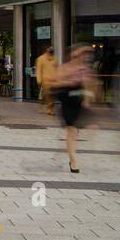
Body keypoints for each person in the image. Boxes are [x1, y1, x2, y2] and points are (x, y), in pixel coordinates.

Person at [51, 45, 98, 173]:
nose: (82, 57)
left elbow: (91, 85)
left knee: (90, 128)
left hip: (80, 102)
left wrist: (88, 99)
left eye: (84, 55)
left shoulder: (85, 69)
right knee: (71, 131)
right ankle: (73, 161)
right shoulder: (64, 68)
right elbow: (54, 83)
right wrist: (69, 82)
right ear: (72, 56)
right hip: (67, 101)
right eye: (78, 55)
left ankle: (64, 151)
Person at [35, 46, 57, 115]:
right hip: (45, 80)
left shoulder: (55, 59)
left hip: (53, 80)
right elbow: (38, 69)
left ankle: (50, 109)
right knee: (46, 95)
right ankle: (44, 106)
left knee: (51, 96)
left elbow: (57, 69)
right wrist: (39, 79)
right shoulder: (40, 59)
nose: (51, 53)